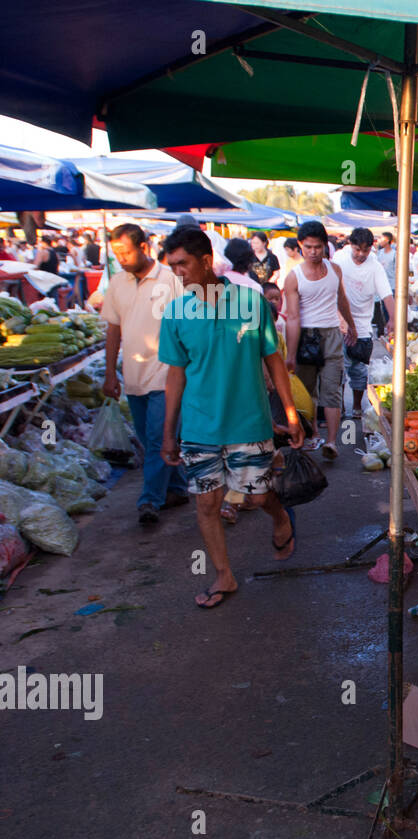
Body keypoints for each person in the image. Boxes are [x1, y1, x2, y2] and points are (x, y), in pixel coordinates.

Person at [155, 227, 302, 608]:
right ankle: (224, 576)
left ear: (206, 261)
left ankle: (280, 517)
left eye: (182, 264)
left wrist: (290, 414)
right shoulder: (175, 312)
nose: (178, 273)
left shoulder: (250, 302)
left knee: (257, 498)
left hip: (248, 421)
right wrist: (168, 432)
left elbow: (272, 359)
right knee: (207, 504)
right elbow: (175, 375)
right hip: (199, 426)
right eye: (172, 267)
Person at [99, 223, 190, 524]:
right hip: (134, 377)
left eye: (126, 251)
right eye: (116, 253)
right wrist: (111, 373)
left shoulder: (170, 279)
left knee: (156, 438)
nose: (121, 258)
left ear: (143, 247)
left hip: (167, 376)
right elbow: (113, 329)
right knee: (149, 437)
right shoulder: (117, 283)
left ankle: (149, 501)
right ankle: (176, 488)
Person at [282, 220, 356, 461]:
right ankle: (313, 434)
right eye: (308, 247)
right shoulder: (293, 277)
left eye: (318, 247)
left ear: (325, 246)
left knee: (332, 390)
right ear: (300, 246)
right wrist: (290, 354)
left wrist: (351, 325)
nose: (313, 252)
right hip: (305, 337)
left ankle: (333, 442)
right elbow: (292, 317)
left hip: (332, 335)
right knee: (307, 392)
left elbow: (341, 299)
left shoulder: (335, 269)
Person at [332, 227, 395, 417]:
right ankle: (340, 408)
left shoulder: (375, 266)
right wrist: (340, 319)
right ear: (350, 245)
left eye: (365, 250)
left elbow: (386, 294)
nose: (361, 254)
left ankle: (357, 407)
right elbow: (332, 291)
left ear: (371, 248)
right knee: (339, 371)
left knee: (359, 371)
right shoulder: (339, 260)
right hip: (339, 324)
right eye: (357, 249)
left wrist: (392, 318)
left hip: (362, 327)